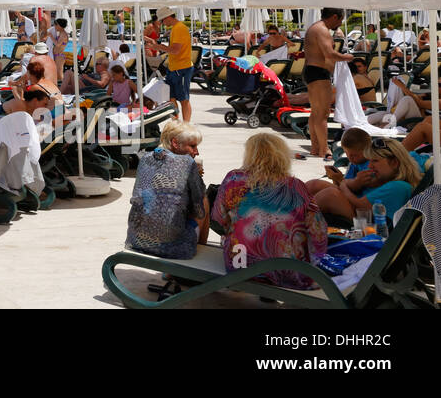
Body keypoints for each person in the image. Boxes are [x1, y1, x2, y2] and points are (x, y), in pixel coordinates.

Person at [211, 130, 328, 289]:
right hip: (287, 270)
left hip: (239, 264)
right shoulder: (297, 186)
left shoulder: (234, 179)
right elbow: (318, 231)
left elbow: (218, 217)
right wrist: (313, 259)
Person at [124, 119, 209, 258]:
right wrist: (196, 178)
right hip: (174, 248)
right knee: (204, 199)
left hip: (136, 240)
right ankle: (200, 255)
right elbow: (198, 211)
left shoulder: (146, 158)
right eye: (192, 146)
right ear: (175, 143)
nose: (196, 152)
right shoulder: (187, 163)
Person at [311, 136, 422, 222]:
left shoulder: (399, 187)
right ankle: (296, 215)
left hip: (366, 225)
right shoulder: (386, 179)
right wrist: (356, 183)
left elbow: (360, 206)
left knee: (330, 195)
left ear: (394, 162)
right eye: (370, 161)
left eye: (375, 161)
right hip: (360, 214)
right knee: (315, 185)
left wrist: (343, 185)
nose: (370, 166)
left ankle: (297, 223)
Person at [303, 8, 355, 160]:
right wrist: (347, 57)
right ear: (334, 16)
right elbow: (329, 54)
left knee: (315, 112)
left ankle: (315, 147)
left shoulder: (315, 28)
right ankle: (324, 149)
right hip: (318, 72)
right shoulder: (322, 30)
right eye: (340, 20)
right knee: (323, 113)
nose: (339, 24)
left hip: (313, 71)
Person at [158, 7, 194, 122]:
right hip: (175, 68)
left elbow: (175, 50)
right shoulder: (176, 28)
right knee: (171, 98)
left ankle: (185, 125)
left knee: (183, 99)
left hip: (181, 68)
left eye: (162, 20)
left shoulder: (179, 28)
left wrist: (157, 46)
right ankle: (176, 124)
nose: (162, 23)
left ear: (167, 17)